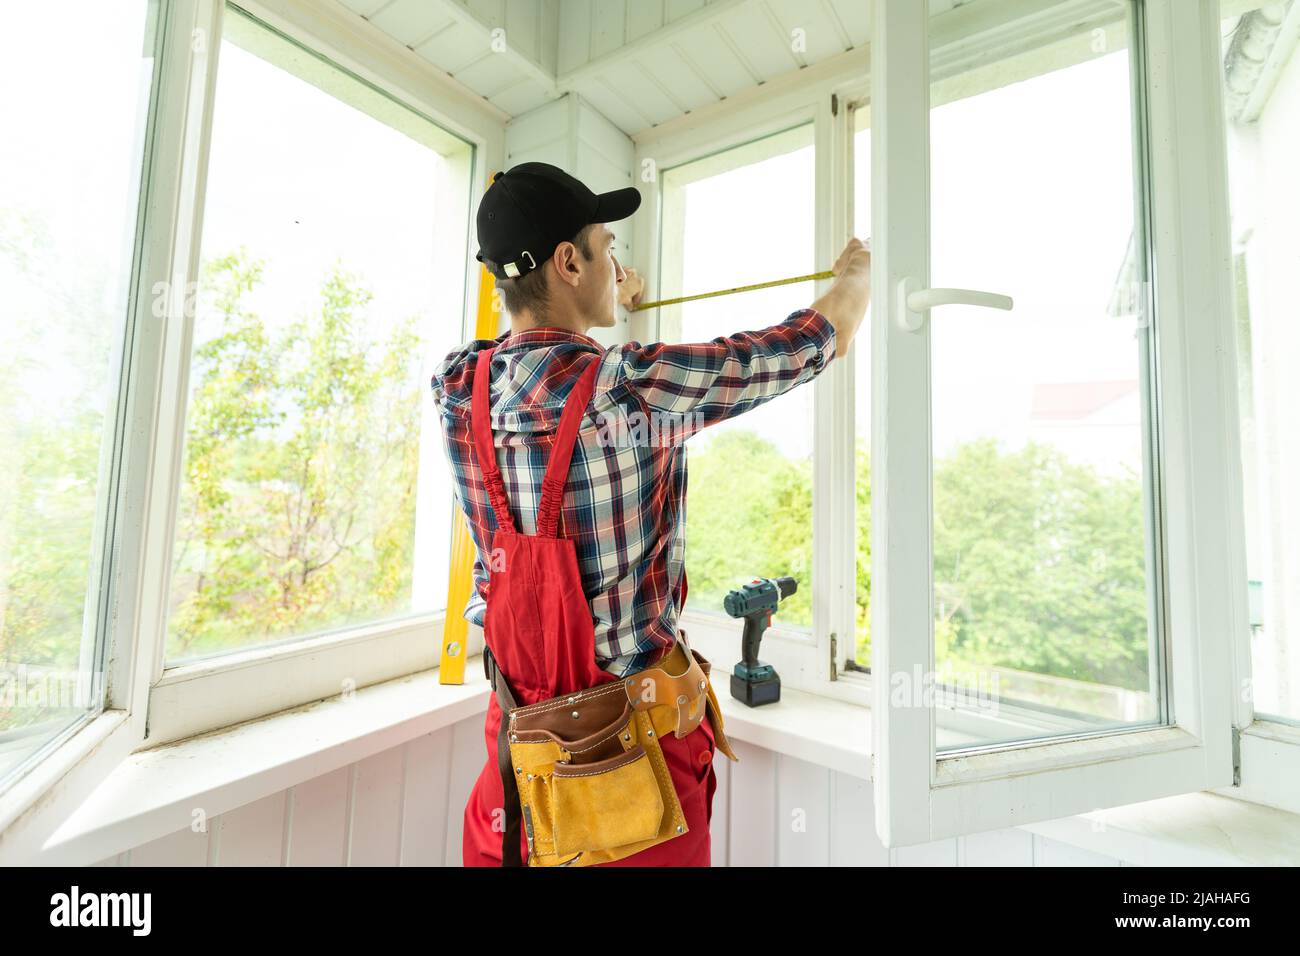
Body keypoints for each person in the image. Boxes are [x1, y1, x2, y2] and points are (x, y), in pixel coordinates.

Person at [430, 162, 871, 866]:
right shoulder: (632, 388)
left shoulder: (458, 387)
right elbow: (805, 346)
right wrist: (853, 281)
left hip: (520, 755)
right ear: (569, 262)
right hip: (631, 761)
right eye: (608, 246)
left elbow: (534, 363)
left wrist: (595, 299)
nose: (620, 261)